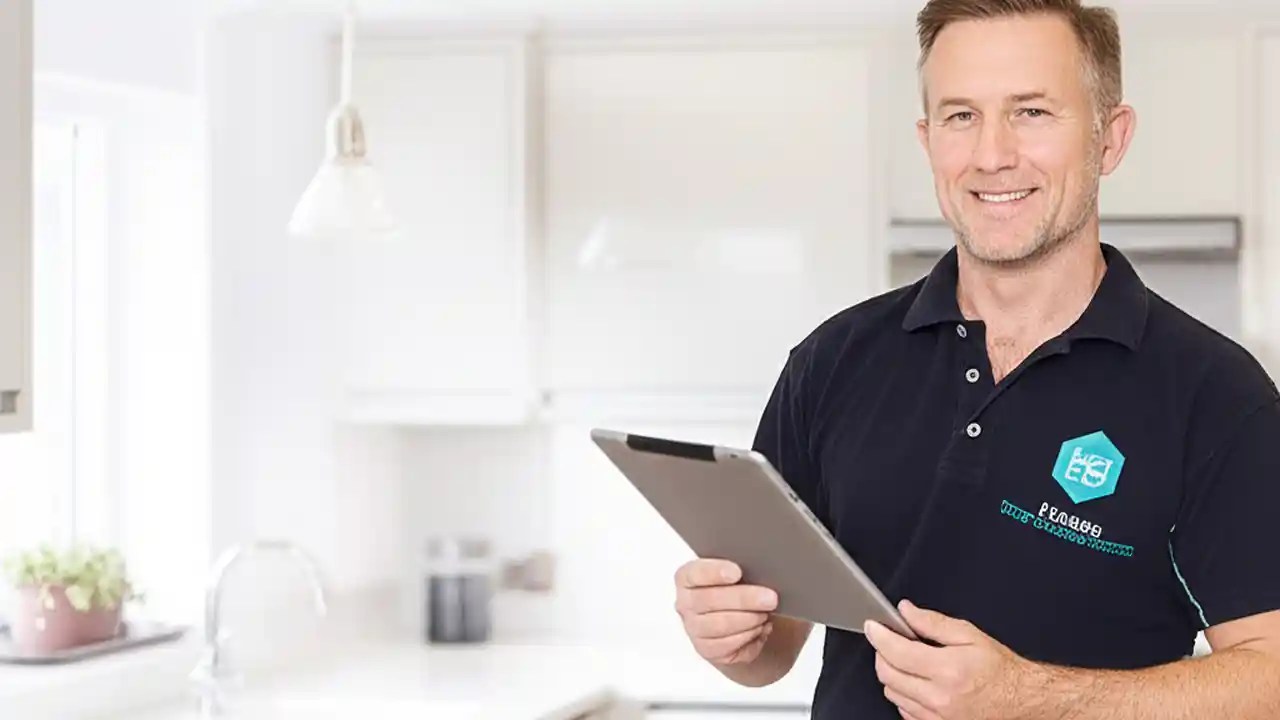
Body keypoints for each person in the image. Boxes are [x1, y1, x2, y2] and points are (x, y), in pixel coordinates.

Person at [671, 0, 1280, 717]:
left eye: (1031, 112)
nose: (992, 155)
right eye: (962, 116)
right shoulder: (832, 361)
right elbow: (775, 645)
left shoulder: (1217, 396)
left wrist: (1031, 697)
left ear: (1109, 139)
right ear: (929, 140)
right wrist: (735, 634)